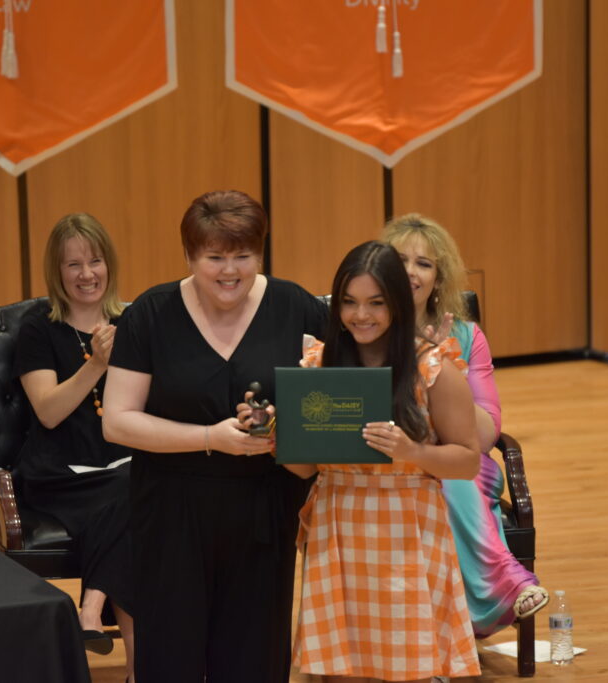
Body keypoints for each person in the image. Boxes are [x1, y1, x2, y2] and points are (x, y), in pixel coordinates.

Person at [103, 190, 328, 683]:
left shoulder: (297, 308)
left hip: (265, 509)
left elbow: (327, 406)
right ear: (189, 256)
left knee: (255, 656)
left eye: (243, 256)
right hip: (171, 509)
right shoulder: (151, 314)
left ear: (260, 254)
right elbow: (117, 420)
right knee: (171, 655)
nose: (230, 271)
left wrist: (281, 432)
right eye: (215, 258)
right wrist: (209, 436)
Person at [284, 240, 482, 682]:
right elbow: (303, 469)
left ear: (397, 303)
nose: (361, 315)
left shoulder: (433, 367)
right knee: (341, 668)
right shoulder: (317, 366)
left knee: (410, 663)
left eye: (376, 302)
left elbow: (468, 461)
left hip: (408, 528)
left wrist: (412, 452)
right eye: (349, 302)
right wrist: (280, 438)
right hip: (337, 524)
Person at [382, 213, 549, 637]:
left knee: (455, 471)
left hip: (462, 462)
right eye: (400, 261)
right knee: (444, 472)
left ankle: (488, 594)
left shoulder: (466, 335)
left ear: (438, 279)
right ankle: (504, 585)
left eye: (424, 264)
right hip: (389, 463)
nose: (410, 272)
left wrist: (445, 366)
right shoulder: (366, 327)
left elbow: (486, 435)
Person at [13, 213, 134, 681]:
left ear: (110, 265)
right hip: (60, 473)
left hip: (122, 467)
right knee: (135, 498)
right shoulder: (38, 329)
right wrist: (96, 364)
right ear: (57, 272)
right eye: (74, 265)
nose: (87, 274)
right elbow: (48, 411)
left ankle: (91, 610)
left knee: (137, 490)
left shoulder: (131, 322)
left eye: (95, 261)